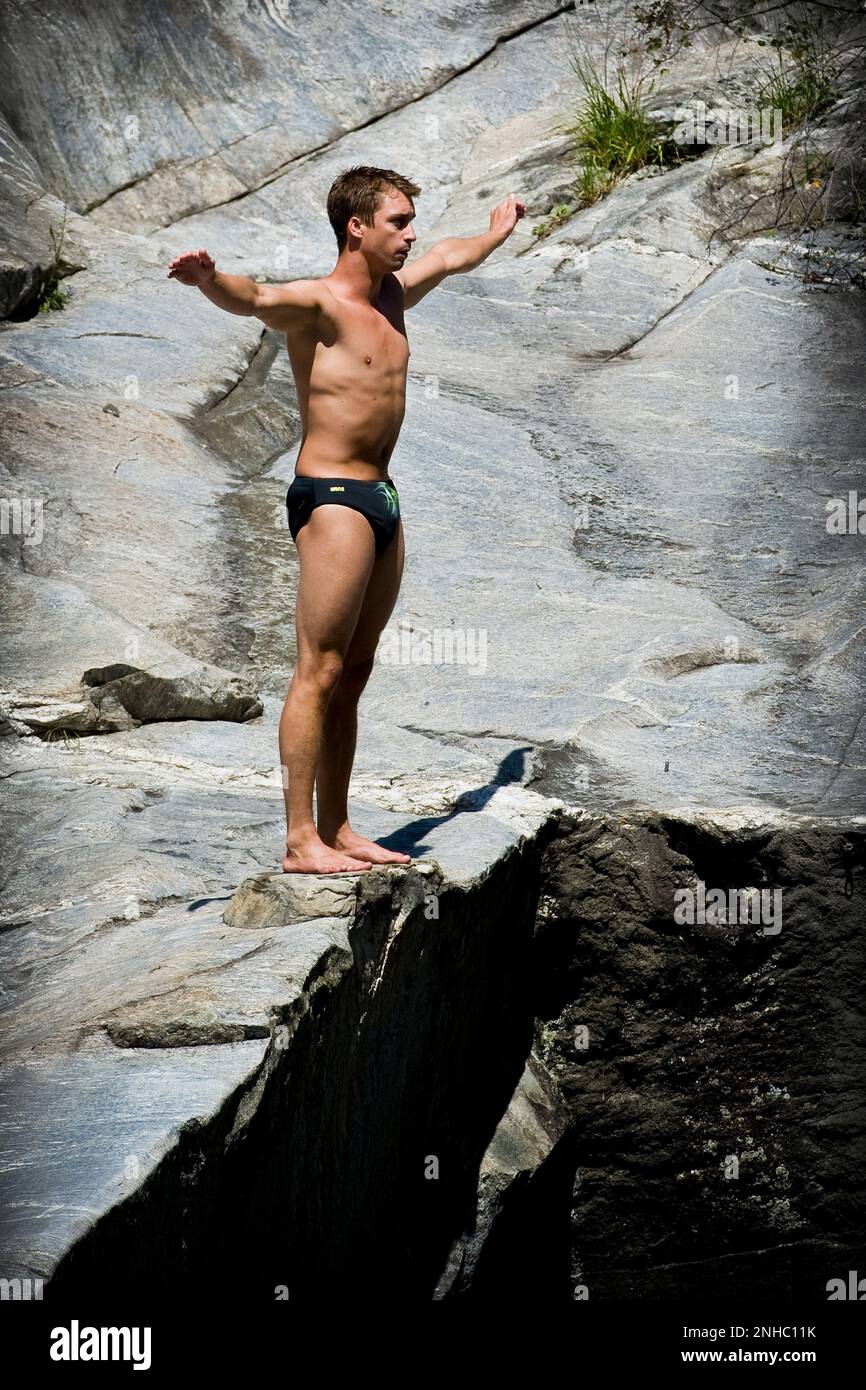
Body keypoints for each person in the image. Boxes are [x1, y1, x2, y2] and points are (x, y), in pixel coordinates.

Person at [168, 166, 525, 873]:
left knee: (354, 671)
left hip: (383, 500)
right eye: (398, 222)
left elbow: (451, 256)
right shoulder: (319, 306)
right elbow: (258, 297)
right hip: (332, 499)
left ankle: (338, 827)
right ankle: (300, 840)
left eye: (411, 221)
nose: (411, 234)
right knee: (319, 670)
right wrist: (211, 280)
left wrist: (495, 232)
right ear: (356, 227)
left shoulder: (394, 297)